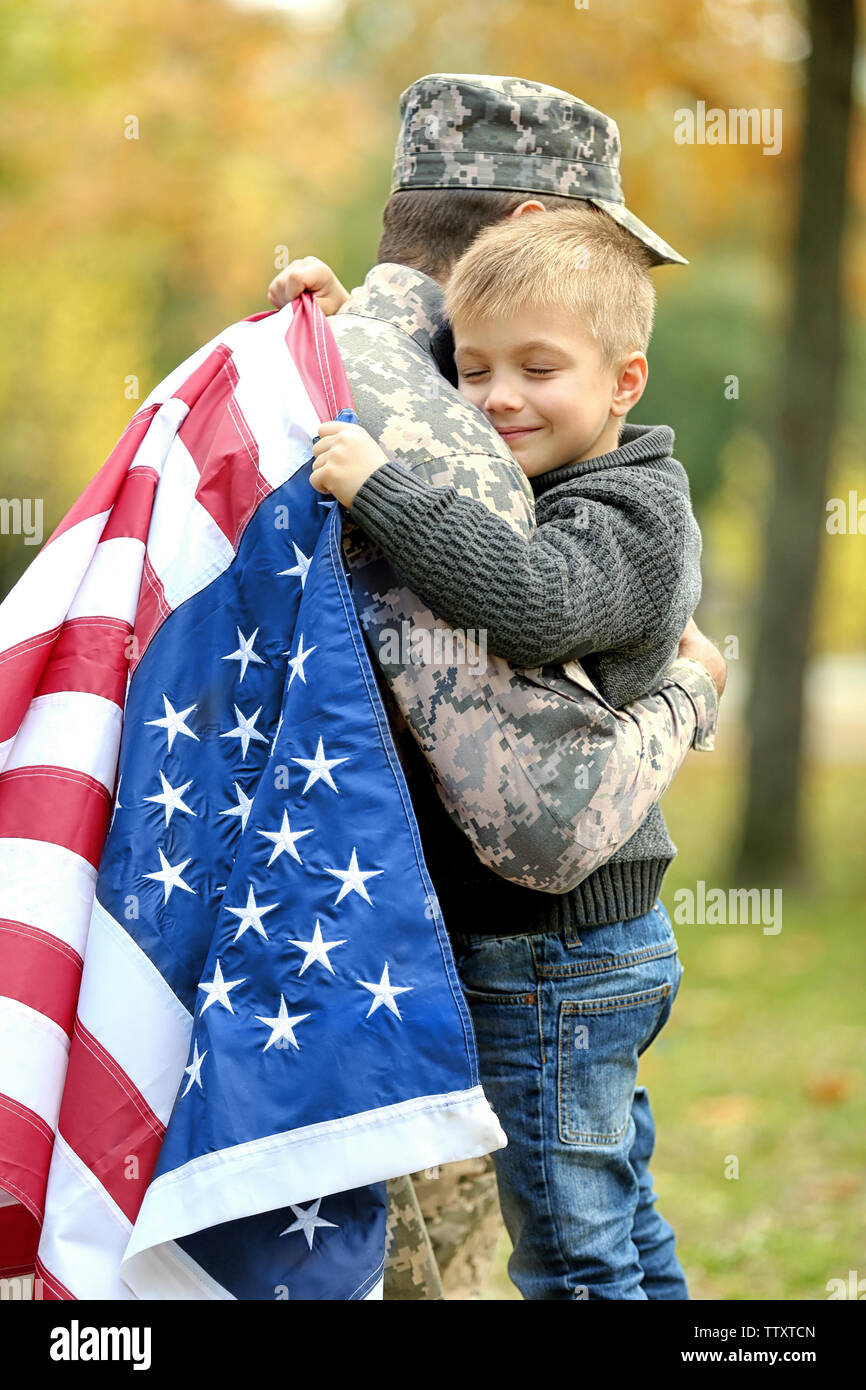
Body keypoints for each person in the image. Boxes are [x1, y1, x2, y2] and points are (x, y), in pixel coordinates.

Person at [267, 72, 726, 1299]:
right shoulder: (479, 413)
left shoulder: (634, 505)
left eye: (536, 365)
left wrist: (379, 485)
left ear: (622, 379)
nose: (494, 398)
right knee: (616, 1222)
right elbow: (431, 377)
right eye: (472, 367)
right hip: (564, 948)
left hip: (561, 951)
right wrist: (332, 320)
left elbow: (527, 593)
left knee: (574, 1252)